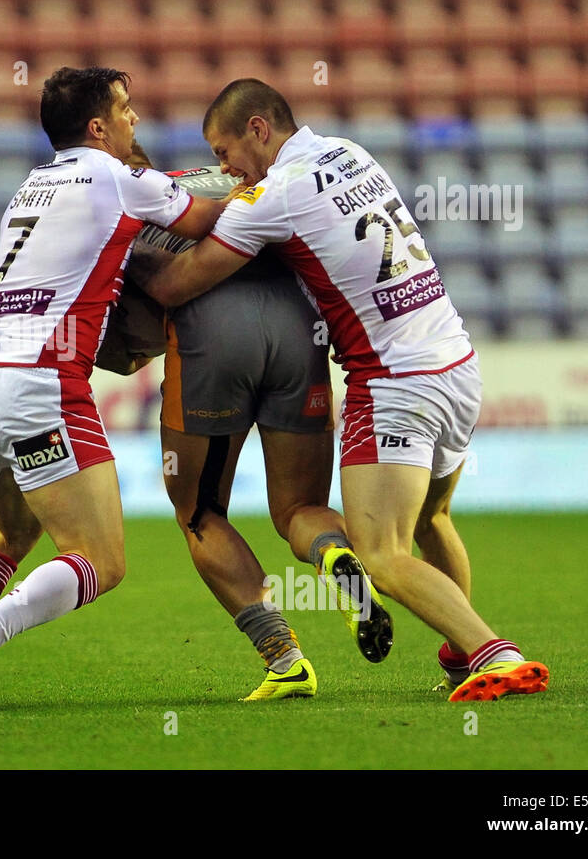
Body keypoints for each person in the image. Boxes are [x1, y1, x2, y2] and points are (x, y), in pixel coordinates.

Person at [138, 79, 547, 702]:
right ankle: (461, 656)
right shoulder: (349, 151)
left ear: (258, 129)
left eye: (225, 152)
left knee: (382, 553)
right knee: (434, 518)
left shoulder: (273, 195)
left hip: (395, 381)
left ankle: (497, 653)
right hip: (456, 359)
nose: (224, 169)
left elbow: (178, 285)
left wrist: (129, 249)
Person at [0, 66, 227, 709]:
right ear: (97, 126)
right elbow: (202, 221)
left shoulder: (31, 186)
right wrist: (262, 188)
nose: (133, 119)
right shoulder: (114, 175)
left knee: (13, 533)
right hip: (42, 383)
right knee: (100, 561)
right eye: (125, 108)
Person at [115, 153, 392, 702]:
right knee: (299, 508)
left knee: (199, 510)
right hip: (300, 326)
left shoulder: (132, 193)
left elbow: (123, 306)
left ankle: (285, 658)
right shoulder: (256, 181)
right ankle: (335, 554)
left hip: (212, 329)